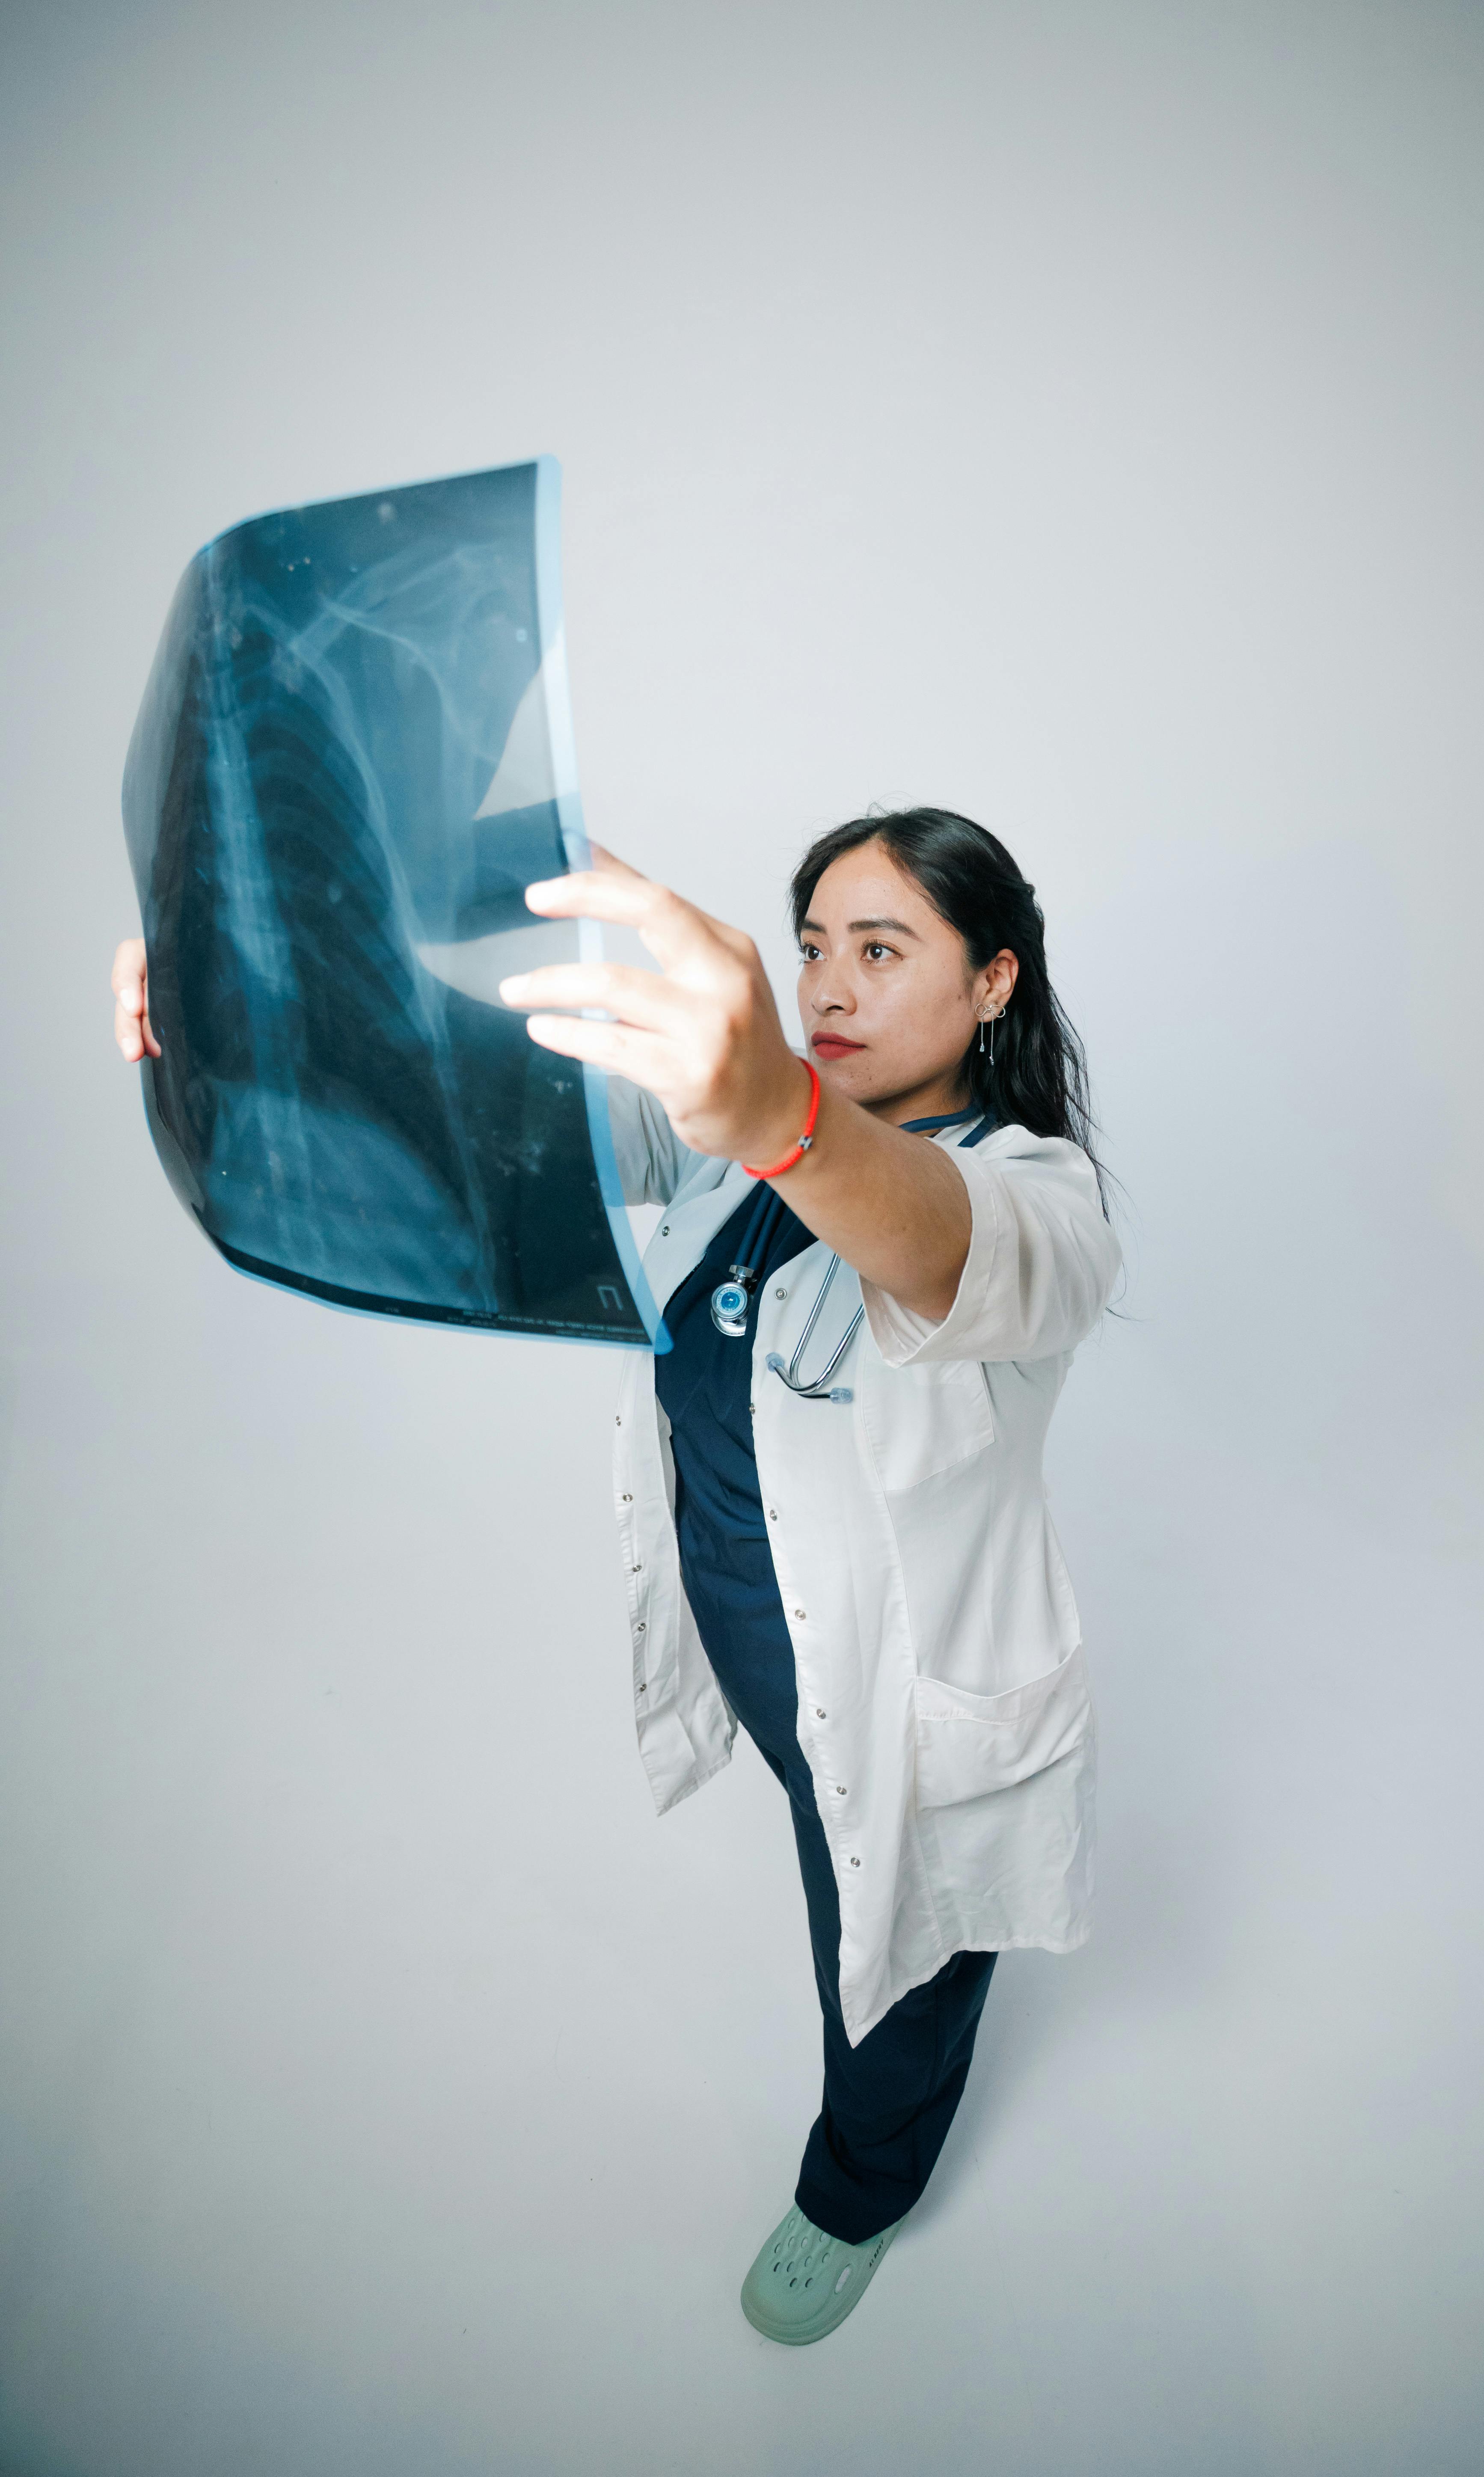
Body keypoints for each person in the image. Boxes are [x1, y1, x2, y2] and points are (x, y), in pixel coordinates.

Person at [112, 805, 1120, 2346]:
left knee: (906, 1958)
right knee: (833, 1849)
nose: (829, 986)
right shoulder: (734, 1134)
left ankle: (860, 2185)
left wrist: (785, 1114)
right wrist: (249, 1019)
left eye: (880, 948)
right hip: (766, 1653)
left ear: (992, 982)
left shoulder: (1037, 1196)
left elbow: (947, 1250)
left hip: (913, 1709)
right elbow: (498, 1111)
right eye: (810, 952)